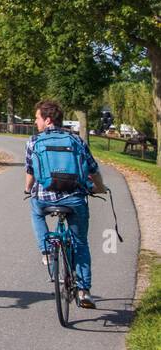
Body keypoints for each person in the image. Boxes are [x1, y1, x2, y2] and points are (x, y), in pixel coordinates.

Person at [25, 99, 105, 308]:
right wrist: (100, 188)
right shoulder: (77, 140)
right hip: (74, 198)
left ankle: (47, 250)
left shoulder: (34, 141)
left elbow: (30, 173)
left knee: (35, 210)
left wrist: (28, 189)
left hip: (45, 199)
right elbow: (93, 169)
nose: (35, 123)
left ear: (47, 119)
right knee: (80, 242)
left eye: (37, 118)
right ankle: (84, 291)